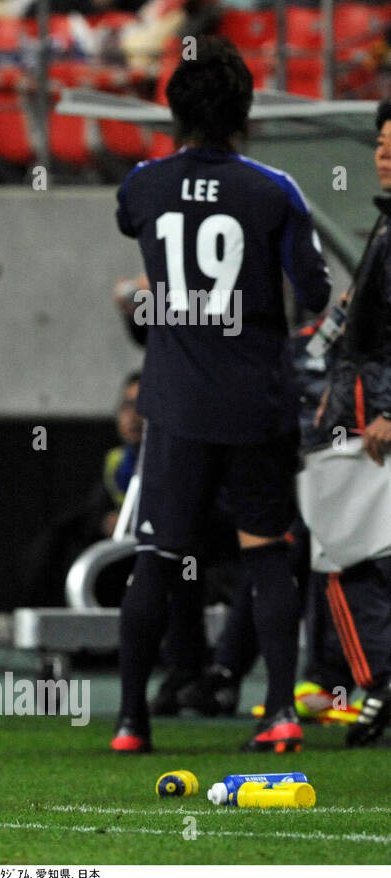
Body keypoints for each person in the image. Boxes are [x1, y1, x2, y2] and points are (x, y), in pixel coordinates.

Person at [112, 37, 331, 754]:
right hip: (255, 402)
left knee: (156, 554)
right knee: (267, 553)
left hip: (174, 402)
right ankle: (279, 712)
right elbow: (316, 289)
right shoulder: (274, 190)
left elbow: (132, 221)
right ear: (245, 114)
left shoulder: (143, 184)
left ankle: (130, 721)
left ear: (175, 112)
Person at [298, 97, 391, 746]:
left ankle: (380, 681)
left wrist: (386, 409)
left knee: (345, 554)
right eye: (380, 143)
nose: (383, 154)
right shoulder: (384, 223)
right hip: (359, 404)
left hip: (371, 413)